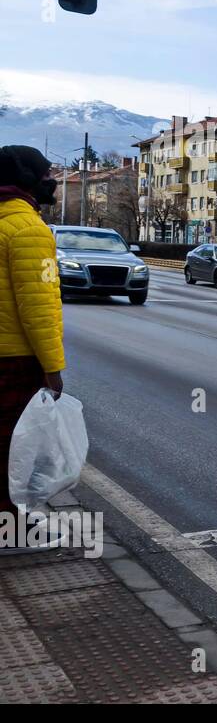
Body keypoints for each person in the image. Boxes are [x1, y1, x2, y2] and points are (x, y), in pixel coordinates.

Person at [0, 146, 65, 521]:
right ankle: (10, 528)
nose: (51, 183)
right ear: (27, 181)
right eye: (46, 175)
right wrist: (52, 368)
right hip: (14, 359)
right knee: (12, 447)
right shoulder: (29, 230)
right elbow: (39, 307)